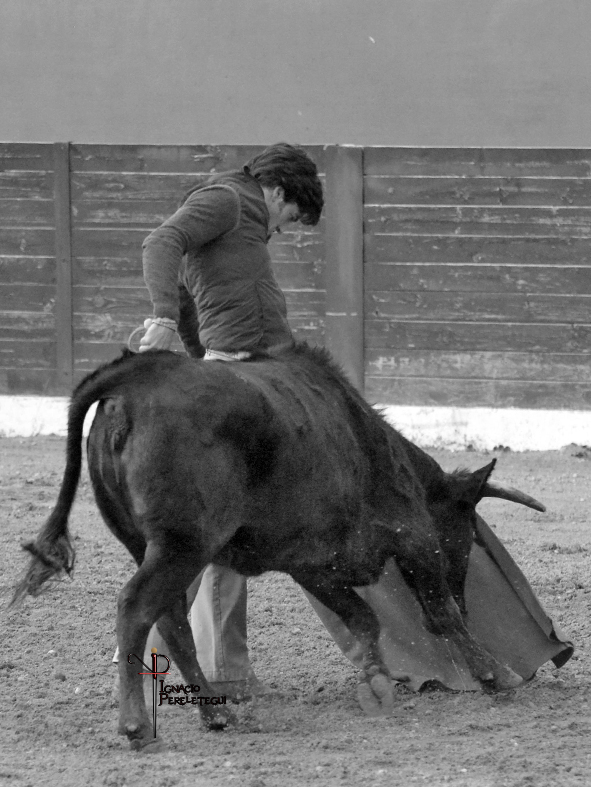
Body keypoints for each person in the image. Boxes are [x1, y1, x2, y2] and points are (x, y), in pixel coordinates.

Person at [114, 143, 323, 699]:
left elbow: (191, 279)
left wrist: (191, 347)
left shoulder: (239, 218)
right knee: (234, 530)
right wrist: (162, 320)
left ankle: (165, 668)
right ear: (278, 192)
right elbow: (162, 242)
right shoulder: (227, 201)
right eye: (291, 217)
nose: (284, 229)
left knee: (219, 535)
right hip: (245, 380)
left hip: (261, 372)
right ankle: (204, 674)